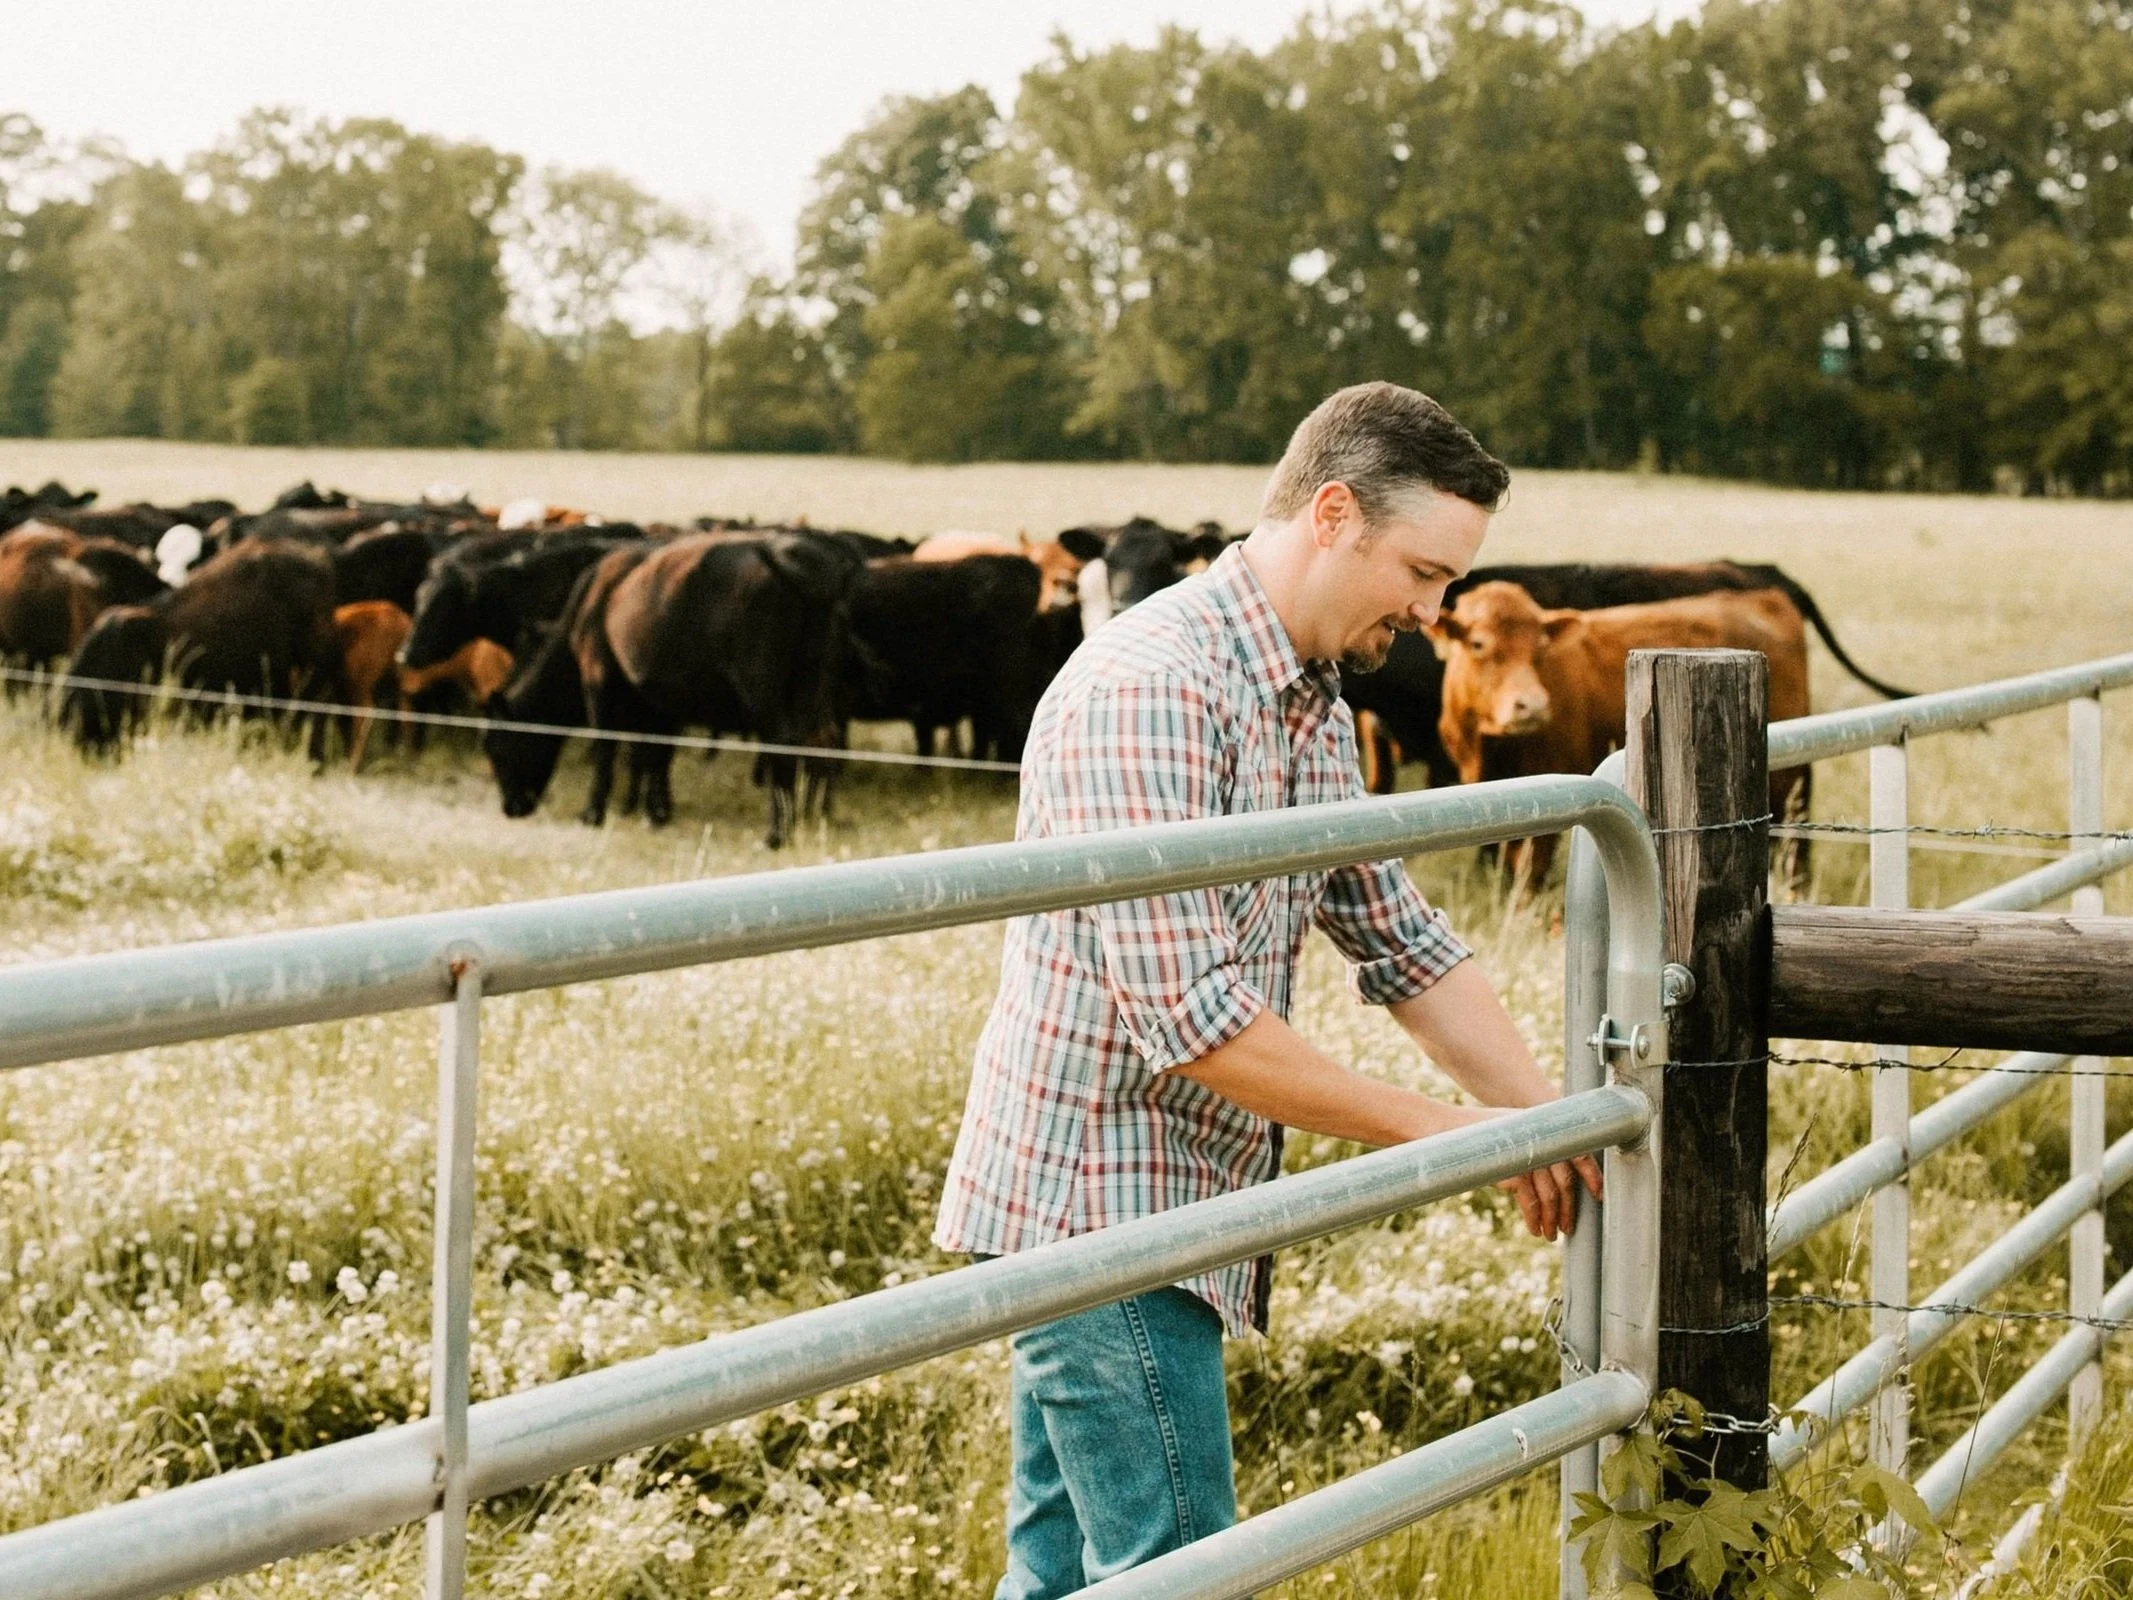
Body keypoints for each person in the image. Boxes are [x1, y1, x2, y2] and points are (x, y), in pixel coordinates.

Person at [933, 381, 1604, 1598]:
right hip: (1101, 1205)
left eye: (1450, 581)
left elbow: (1400, 940)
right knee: (1181, 1570)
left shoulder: (1307, 702)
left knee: (1067, 1577)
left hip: (1166, 1199)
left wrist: (1547, 1121)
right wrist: (1455, 1137)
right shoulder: (1157, 684)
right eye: (1422, 570)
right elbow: (1191, 1021)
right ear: (1334, 513)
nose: (1432, 608)